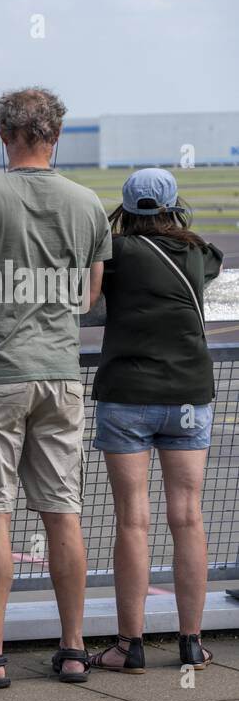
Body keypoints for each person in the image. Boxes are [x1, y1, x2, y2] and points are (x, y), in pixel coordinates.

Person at [0, 87, 111, 688]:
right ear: (55, 136)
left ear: (3, 136)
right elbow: (87, 297)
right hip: (61, 373)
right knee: (63, 511)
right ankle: (74, 647)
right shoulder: (87, 204)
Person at [89, 169, 223, 673]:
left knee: (133, 519)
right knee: (187, 517)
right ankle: (192, 641)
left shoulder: (117, 255)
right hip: (188, 394)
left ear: (125, 208)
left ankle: (131, 644)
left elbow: (92, 278)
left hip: (127, 395)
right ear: (172, 206)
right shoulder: (197, 253)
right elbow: (212, 260)